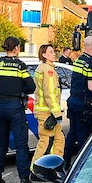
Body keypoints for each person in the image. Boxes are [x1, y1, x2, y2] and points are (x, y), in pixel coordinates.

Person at [0, 37, 39, 183]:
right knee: (21, 145)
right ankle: (24, 181)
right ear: (16, 48)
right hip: (15, 107)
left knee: (1, 144)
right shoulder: (20, 66)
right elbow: (31, 86)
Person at [66, 35, 92, 165]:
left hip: (73, 102)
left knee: (72, 134)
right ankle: (81, 167)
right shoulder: (91, 63)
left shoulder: (79, 60)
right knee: (84, 137)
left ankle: (66, 163)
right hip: (84, 105)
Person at [31, 44, 65, 175]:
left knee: (59, 140)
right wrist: (57, 113)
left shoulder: (44, 68)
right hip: (46, 112)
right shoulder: (48, 71)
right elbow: (49, 93)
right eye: (50, 52)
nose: (54, 53)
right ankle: (35, 170)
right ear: (44, 55)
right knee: (45, 142)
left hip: (46, 111)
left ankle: (54, 168)